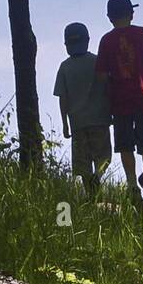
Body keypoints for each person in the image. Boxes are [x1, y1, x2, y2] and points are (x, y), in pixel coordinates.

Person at [95, 0, 143, 201]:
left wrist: (108, 95)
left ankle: (131, 185)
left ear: (109, 17)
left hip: (119, 102)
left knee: (125, 144)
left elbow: (100, 76)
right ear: (132, 14)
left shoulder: (106, 41)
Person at [53, 22, 112, 192]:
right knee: (103, 156)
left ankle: (90, 193)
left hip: (78, 123)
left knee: (82, 163)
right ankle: (98, 176)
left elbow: (62, 98)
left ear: (66, 45)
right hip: (100, 119)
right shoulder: (97, 62)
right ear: (87, 40)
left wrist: (65, 123)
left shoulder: (65, 67)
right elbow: (108, 88)